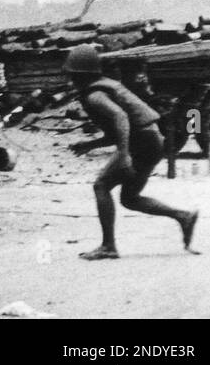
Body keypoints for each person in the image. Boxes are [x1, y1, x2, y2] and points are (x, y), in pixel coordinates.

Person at [64, 45, 198, 259]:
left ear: (79, 75)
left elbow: (121, 119)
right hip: (152, 140)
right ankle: (183, 216)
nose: (69, 79)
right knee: (130, 198)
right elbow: (123, 127)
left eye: (71, 75)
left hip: (142, 143)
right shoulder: (104, 87)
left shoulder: (95, 96)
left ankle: (108, 246)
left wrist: (124, 154)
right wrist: (89, 145)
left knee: (101, 186)